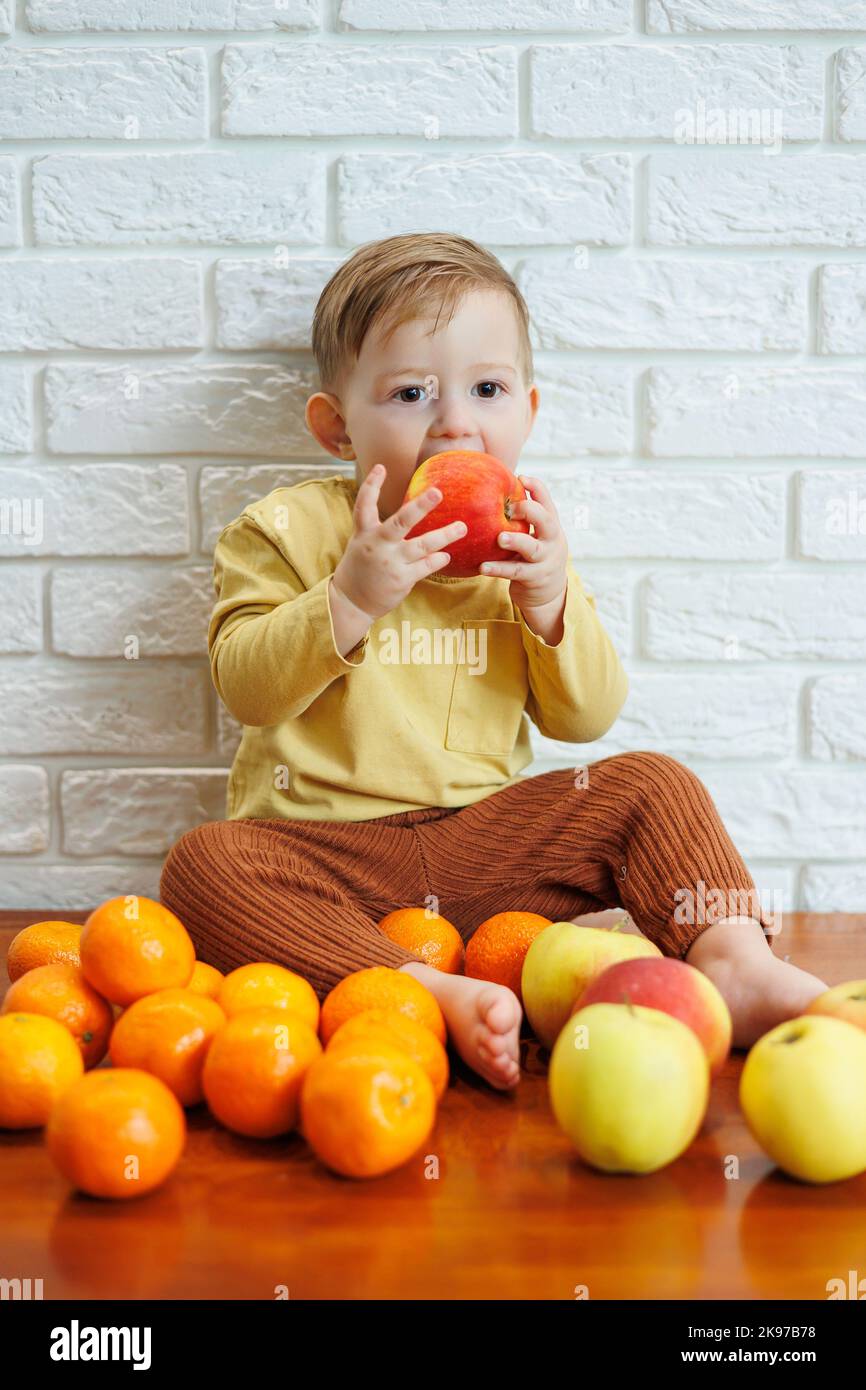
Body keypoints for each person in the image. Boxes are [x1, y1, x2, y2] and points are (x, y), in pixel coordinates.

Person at [160, 232, 827, 1091]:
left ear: (528, 412)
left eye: (487, 389)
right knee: (205, 866)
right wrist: (352, 595)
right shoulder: (284, 531)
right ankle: (420, 992)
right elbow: (246, 688)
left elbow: (584, 717)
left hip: (486, 853)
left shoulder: (522, 541)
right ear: (336, 428)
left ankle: (733, 959)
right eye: (410, 393)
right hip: (324, 857)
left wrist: (547, 600)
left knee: (651, 783)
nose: (455, 422)